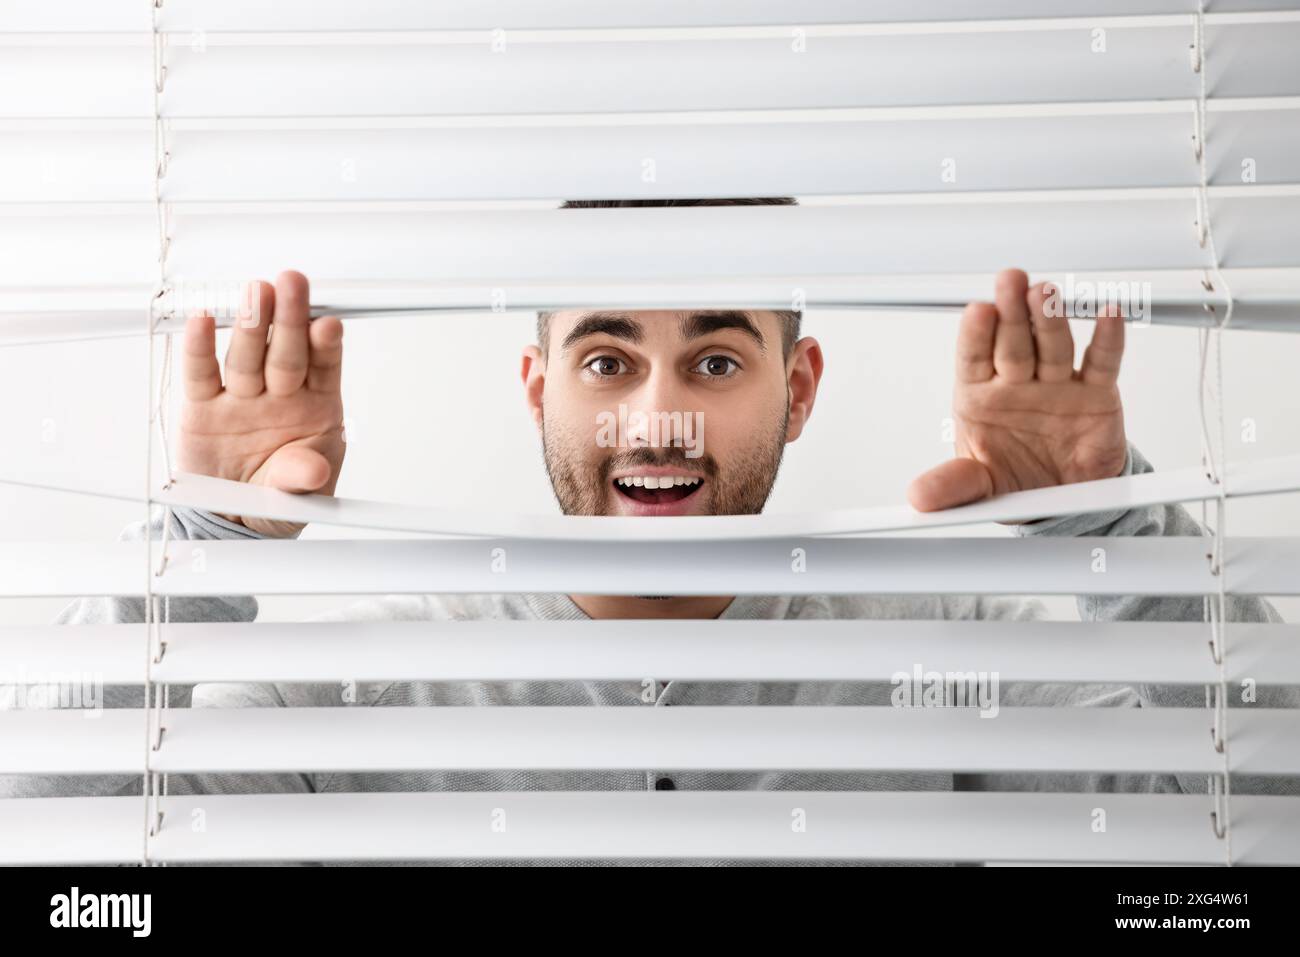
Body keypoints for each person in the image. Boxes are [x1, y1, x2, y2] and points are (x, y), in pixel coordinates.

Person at [4, 198, 1293, 866]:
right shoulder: (353, 691)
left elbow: (1251, 838)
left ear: (797, 390)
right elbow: (54, 846)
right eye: (609, 359)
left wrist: (1116, 519)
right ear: (538, 387)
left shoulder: (953, 667)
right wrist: (202, 544)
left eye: (718, 361)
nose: (660, 420)